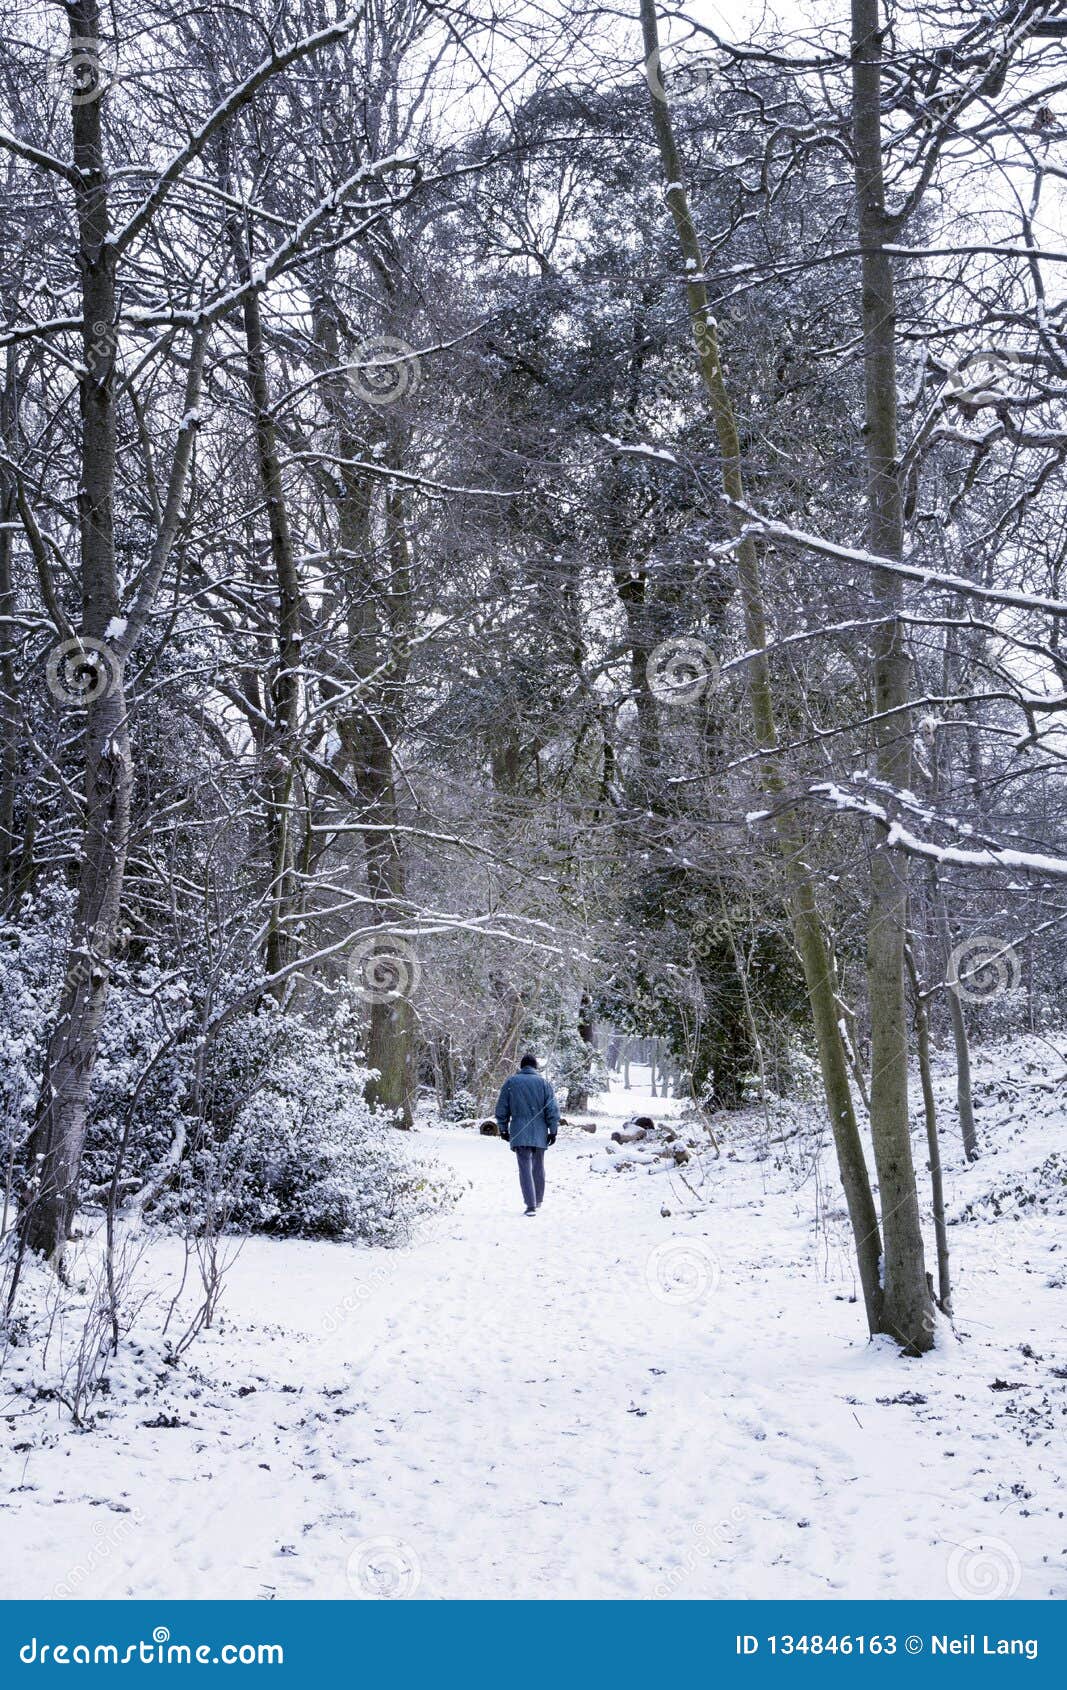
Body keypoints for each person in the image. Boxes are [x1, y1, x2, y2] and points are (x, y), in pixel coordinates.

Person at [495, 1053, 560, 1215]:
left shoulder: (511, 1082)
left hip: (519, 1130)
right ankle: (538, 1200)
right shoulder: (544, 1084)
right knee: (538, 1166)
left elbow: (502, 1107)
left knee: (524, 1168)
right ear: (535, 1067)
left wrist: (503, 1128)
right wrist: (553, 1131)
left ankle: (530, 1205)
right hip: (540, 1131)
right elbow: (552, 1109)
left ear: (522, 1066)